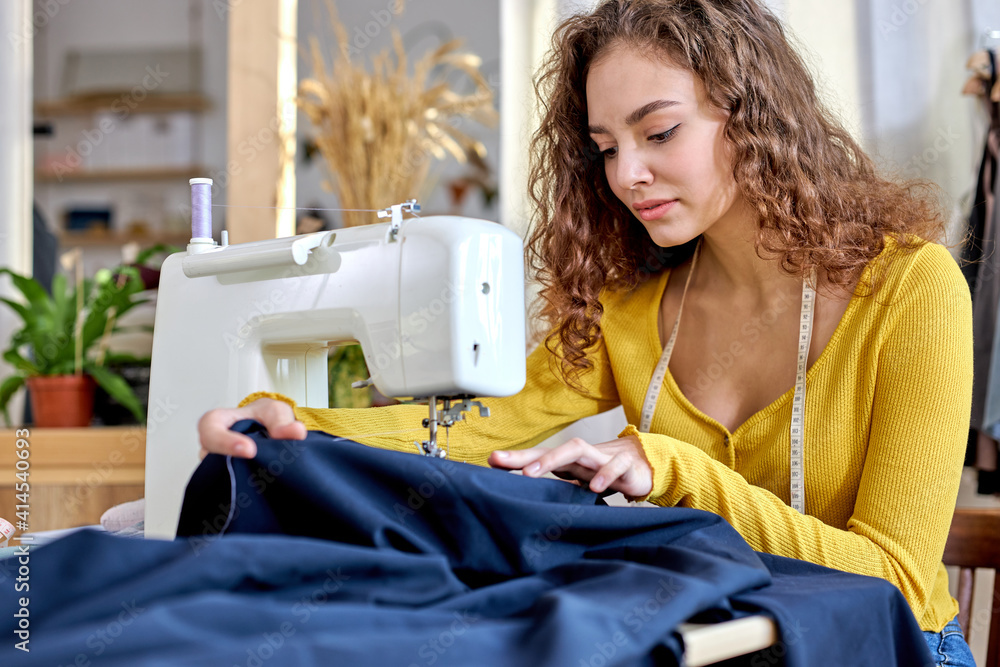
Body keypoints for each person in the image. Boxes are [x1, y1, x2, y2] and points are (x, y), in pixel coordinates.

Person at [199, 1, 975, 663]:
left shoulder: (908, 290)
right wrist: (285, 422)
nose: (626, 173)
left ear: (756, 118)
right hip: (726, 647)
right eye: (606, 149)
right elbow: (475, 429)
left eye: (659, 133)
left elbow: (896, 585)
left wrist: (670, 469)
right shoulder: (630, 311)